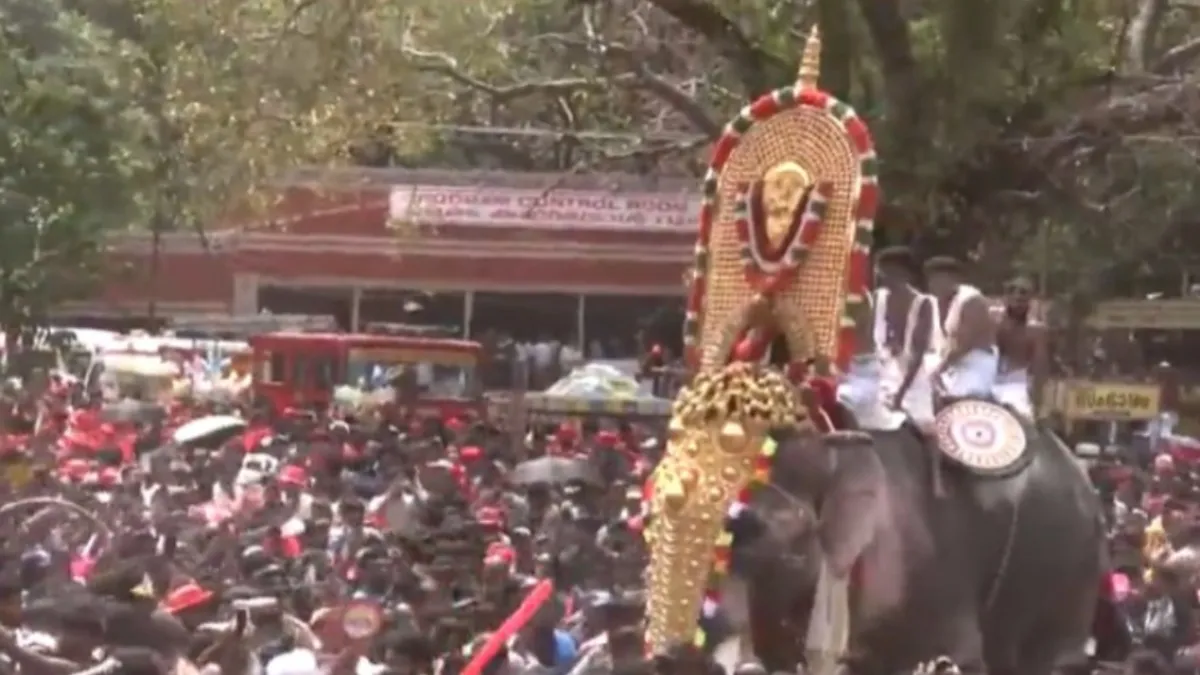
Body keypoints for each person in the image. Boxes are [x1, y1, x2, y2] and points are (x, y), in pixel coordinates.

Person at [874, 247, 938, 427]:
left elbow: (917, 356)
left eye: (886, 271)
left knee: (925, 426)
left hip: (912, 380)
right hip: (879, 374)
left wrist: (900, 396)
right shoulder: (878, 298)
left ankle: (934, 454)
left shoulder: (924, 304)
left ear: (903, 273)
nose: (881, 276)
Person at [926, 257, 997, 399]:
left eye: (940, 279)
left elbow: (964, 344)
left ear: (955, 279)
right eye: (932, 279)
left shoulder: (972, 300)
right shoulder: (931, 301)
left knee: (964, 396)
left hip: (974, 361)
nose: (935, 284)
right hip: (943, 359)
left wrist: (939, 370)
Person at [993, 277, 1046, 419]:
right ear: (1006, 298)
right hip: (988, 380)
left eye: (1023, 294)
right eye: (1013, 292)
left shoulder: (1035, 330)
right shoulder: (992, 322)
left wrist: (1038, 404)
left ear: (1030, 300)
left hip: (1015, 384)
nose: (1017, 297)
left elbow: (1039, 369)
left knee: (1023, 419)